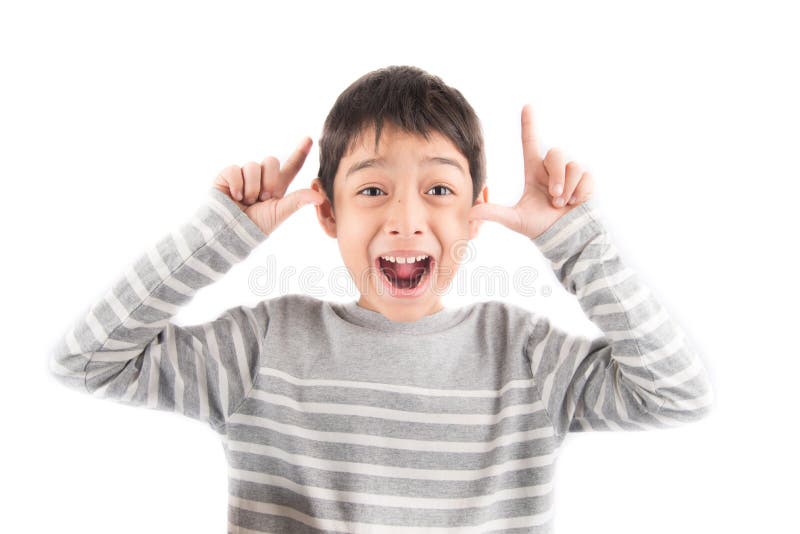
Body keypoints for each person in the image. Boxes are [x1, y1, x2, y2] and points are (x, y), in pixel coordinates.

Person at [49, 65, 714, 533]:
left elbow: (679, 392)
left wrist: (576, 242)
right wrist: (218, 236)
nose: (405, 219)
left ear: (478, 213)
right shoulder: (263, 346)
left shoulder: (526, 357)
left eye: (439, 190)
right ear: (328, 214)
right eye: (372, 190)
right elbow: (86, 360)